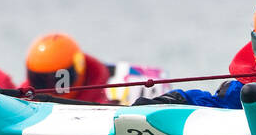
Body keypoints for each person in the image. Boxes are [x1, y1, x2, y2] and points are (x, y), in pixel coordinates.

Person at [23, 33, 166, 104]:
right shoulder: (23, 96)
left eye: (59, 79)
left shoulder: (120, 87)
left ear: (78, 70)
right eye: (41, 80)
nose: (51, 89)